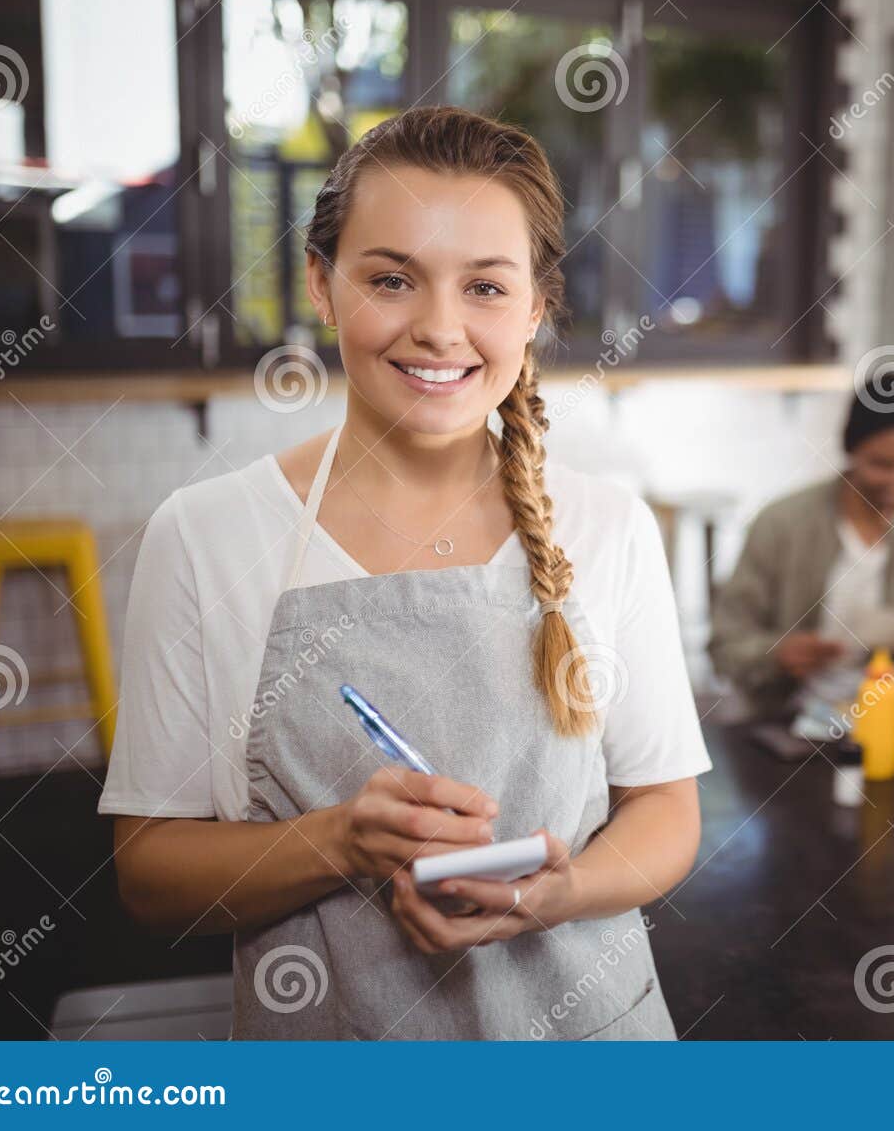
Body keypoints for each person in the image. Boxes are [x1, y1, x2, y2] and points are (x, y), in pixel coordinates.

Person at [99, 107, 711, 1039]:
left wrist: (565, 889)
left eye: (486, 288)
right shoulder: (205, 538)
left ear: (537, 307)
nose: (439, 328)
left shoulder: (610, 527)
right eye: (392, 278)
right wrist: (340, 840)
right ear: (322, 283)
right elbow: (149, 875)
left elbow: (665, 805)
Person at [708, 370, 894, 720]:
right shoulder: (781, 523)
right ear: (851, 452)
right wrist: (776, 655)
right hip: (785, 722)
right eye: (882, 464)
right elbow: (725, 645)